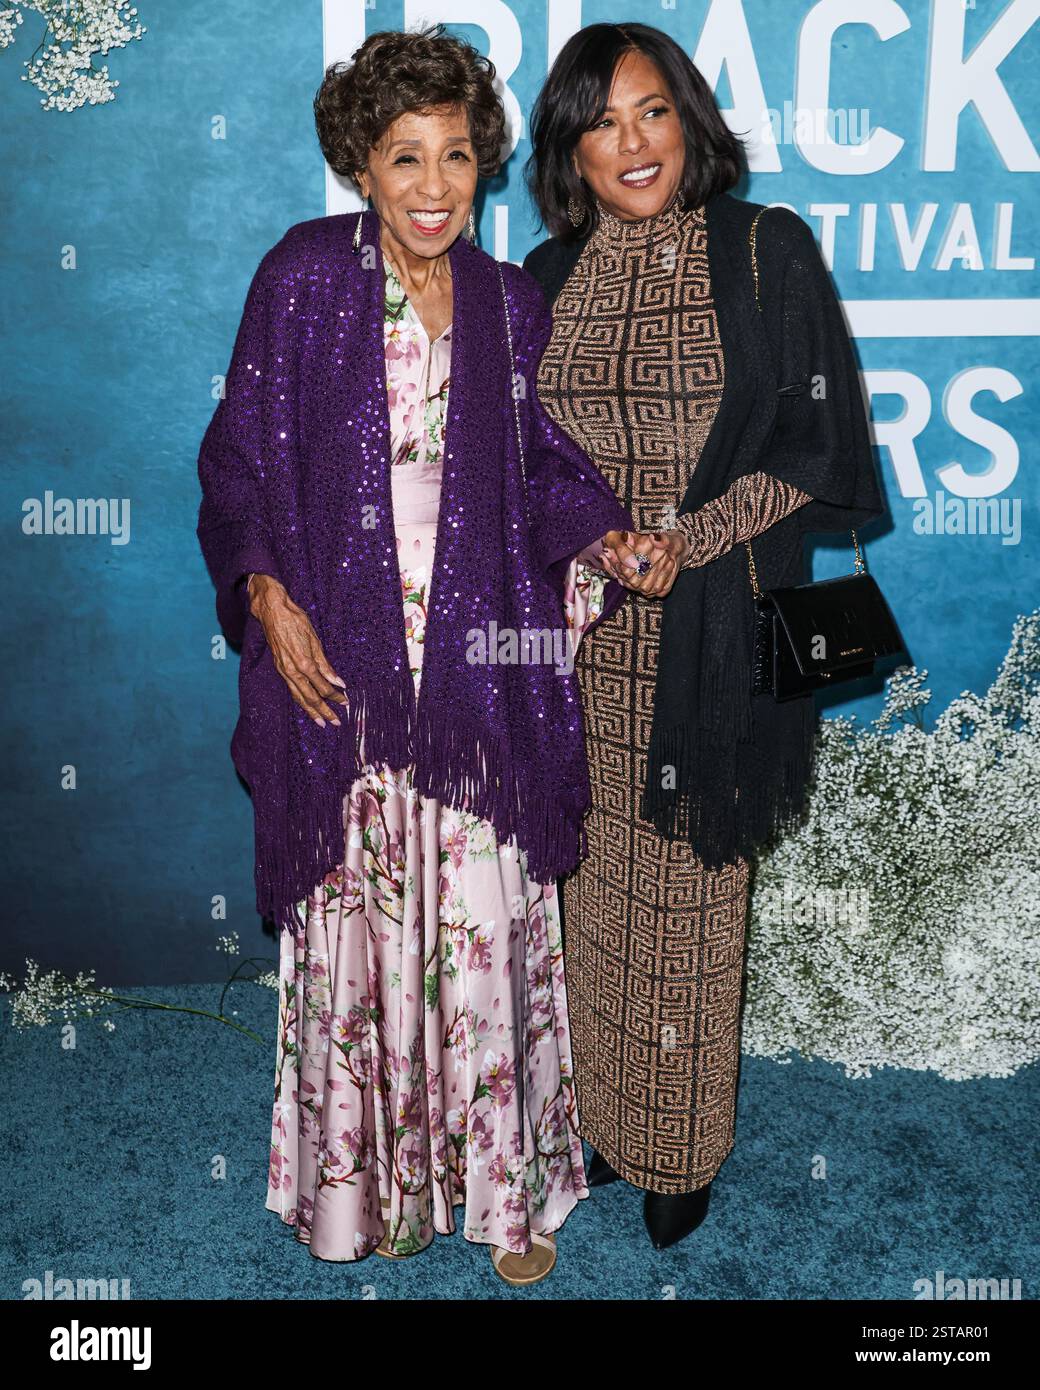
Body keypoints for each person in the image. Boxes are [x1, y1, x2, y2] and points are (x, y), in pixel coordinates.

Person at [196, 25, 632, 1285]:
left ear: (482, 161)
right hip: (342, 669)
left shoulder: (509, 301)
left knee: (487, 935)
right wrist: (267, 597)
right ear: (360, 164)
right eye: (404, 158)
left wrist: (604, 534)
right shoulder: (302, 279)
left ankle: (507, 1197)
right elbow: (234, 462)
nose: (433, 186)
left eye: (454, 154)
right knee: (364, 938)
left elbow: (542, 473)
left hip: (475, 680)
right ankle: (370, 1187)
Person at [523, 22, 884, 1249]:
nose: (628, 144)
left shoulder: (762, 249)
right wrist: (591, 541)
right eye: (599, 121)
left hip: (712, 620)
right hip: (579, 632)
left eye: (651, 113)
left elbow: (811, 440)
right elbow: (521, 457)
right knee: (589, 889)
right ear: (567, 146)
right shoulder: (543, 270)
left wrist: (692, 536)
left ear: (689, 120)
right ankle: (605, 1124)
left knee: (686, 893)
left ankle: (676, 1144)